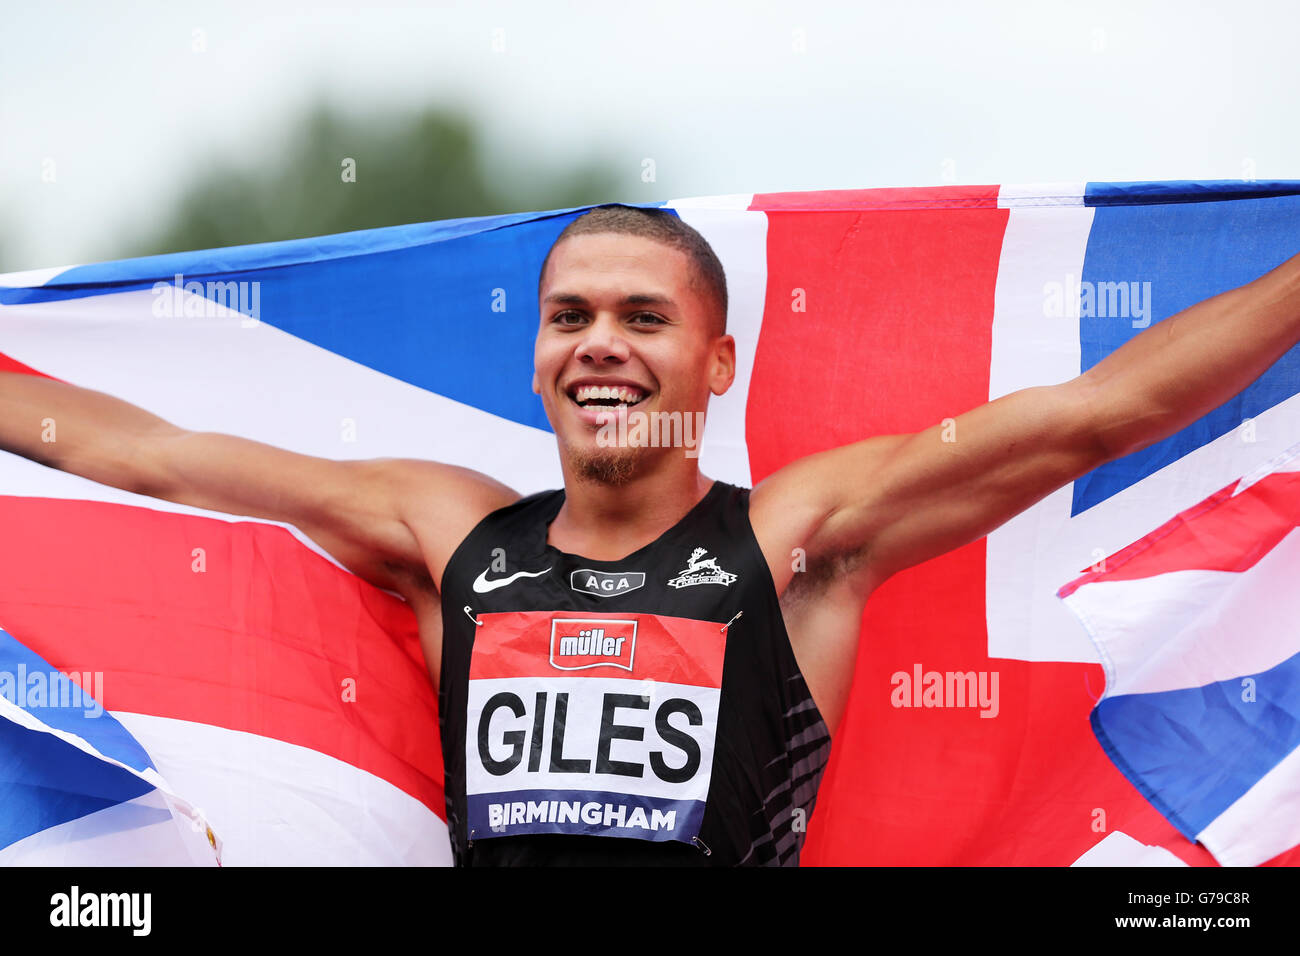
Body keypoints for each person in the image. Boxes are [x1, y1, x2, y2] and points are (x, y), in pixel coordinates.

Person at [2, 204, 1298, 865]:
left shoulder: (801, 537)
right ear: (538, 358)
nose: (602, 342)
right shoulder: (446, 530)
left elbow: (1098, 414)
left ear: (717, 359)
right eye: (571, 316)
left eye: (642, 316)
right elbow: (152, 457)